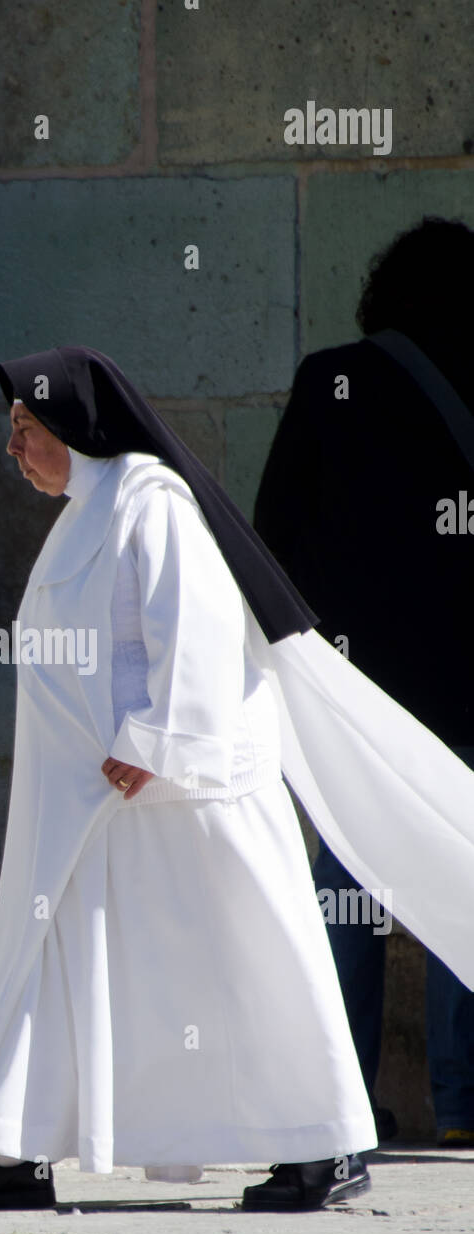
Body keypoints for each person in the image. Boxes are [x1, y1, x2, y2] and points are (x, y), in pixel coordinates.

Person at [0, 346, 474, 1213]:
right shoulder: (86, 510)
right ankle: (8, 1146)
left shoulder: (150, 499)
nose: (15, 450)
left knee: (257, 958)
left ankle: (325, 1148)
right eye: (12, 434)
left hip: (187, 790)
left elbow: (200, 627)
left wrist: (155, 737)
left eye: (27, 430)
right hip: (100, 805)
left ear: (73, 426)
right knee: (57, 952)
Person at [253, 217, 474, 1146]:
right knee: (465, 880)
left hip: (362, 691)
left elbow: (273, 535)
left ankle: (340, 1102)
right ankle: (465, 1105)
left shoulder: (328, 382)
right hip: (464, 680)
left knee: (348, 884)